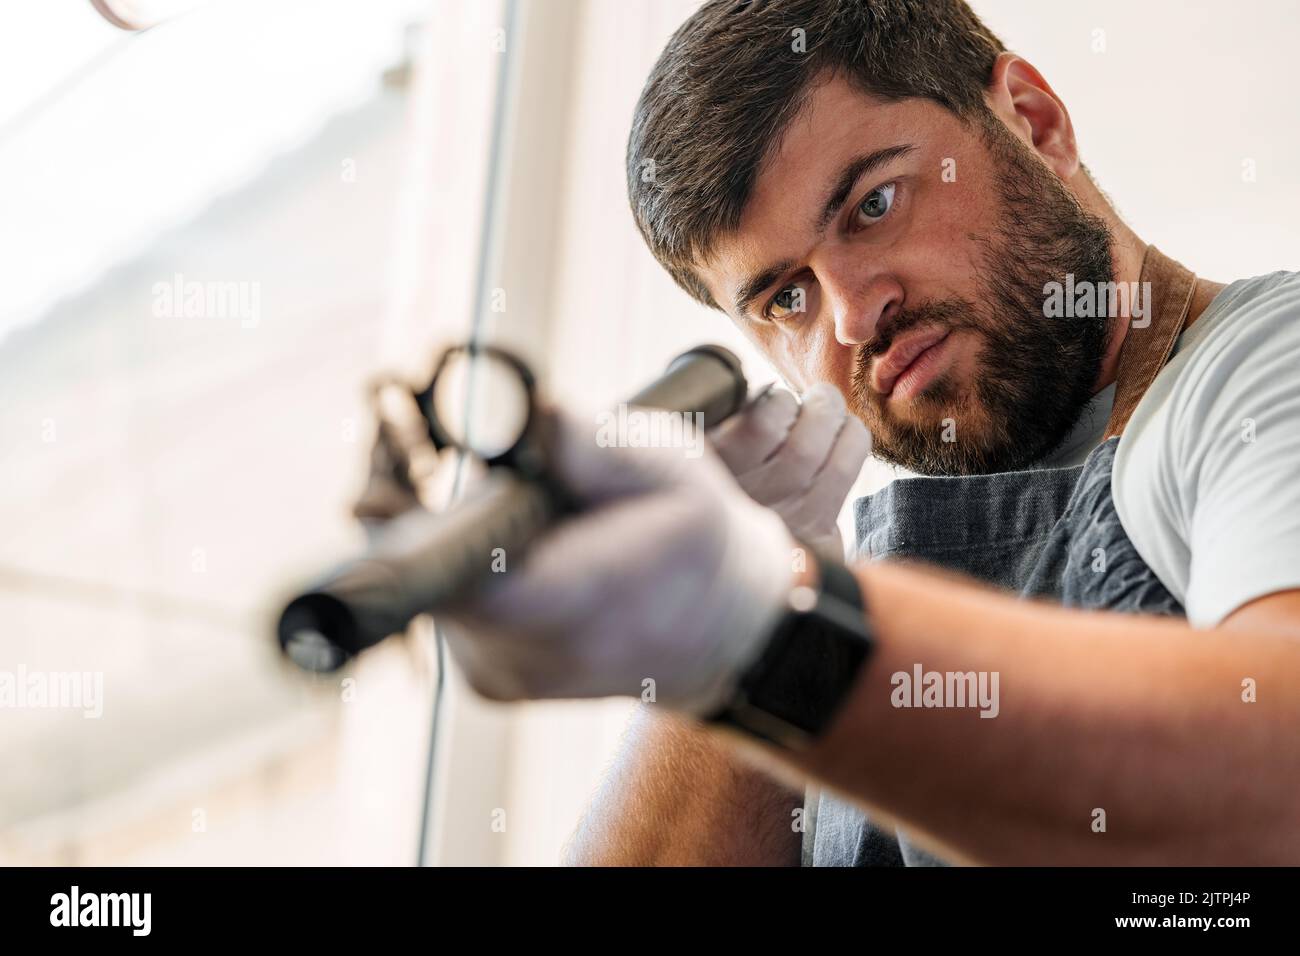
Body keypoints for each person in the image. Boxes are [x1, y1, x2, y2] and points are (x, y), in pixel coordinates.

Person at [438, 0, 1300, 865]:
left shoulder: (1264, 367)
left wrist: (754, 626)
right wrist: (760, 569)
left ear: (1035, 124)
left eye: (873, 203)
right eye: (788, 297)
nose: (853, 318)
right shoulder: (849, 582)